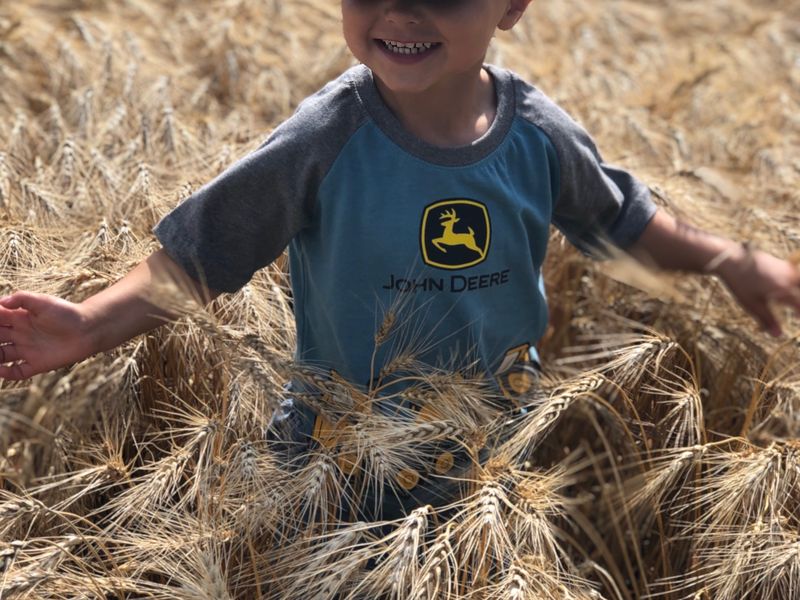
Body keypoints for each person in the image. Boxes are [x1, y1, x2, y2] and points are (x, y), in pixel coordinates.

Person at [0, 0, 799, 514]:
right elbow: (205, 252)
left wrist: (729, 259)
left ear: (512, 5)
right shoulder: (327, 136)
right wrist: (88, 325)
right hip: (338, 458)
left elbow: (620, 220)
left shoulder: (536, 134)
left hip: (493, 450)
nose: (402, 11)